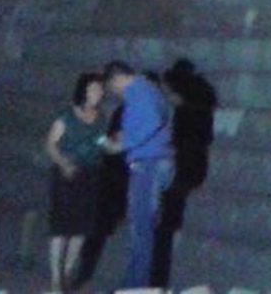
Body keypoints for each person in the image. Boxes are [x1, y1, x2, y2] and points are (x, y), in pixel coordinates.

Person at [101, 60, 174, 291]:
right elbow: (151, 119)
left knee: (141, 229)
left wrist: (124, 144)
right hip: (155, 162)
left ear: (116, 79)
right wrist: (124, 135)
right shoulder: (148, 89)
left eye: (114, 89)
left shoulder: (137, 92)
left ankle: (136, 286)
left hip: (148, 165)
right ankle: (133, 283)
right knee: (143, 228)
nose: (116, 93)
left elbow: (152, 120)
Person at [40, 71, 105, 292]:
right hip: (67, 175)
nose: (98, 93)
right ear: (84, 91)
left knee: (80, 229)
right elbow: (50, 144)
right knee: (61, 228)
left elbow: (101, 142)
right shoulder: (67, 116)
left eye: (100, 89)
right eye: (94, 89)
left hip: (90, 175)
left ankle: (67, 272)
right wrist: (64, 163)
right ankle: (55, 280)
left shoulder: (100, 117)